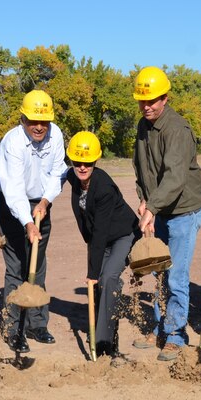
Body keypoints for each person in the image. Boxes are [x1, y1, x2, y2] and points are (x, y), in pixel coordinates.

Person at [131, 66, 201, 361]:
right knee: (160, 271)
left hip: (184, 210)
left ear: (165, 98)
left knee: (176, 275)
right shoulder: (142, 125)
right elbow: (141, 167)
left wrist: (152, 206)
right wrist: (144, 198)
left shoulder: (178, 129)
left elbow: (175, 177)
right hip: (160, 207)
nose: (147, 106)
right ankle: (162, 327)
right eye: (142, 100)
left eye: (152, 100)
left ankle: (176, 334)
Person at [0, 89, 67, 353]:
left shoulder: (56, 134)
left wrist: (46, 202)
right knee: (16, 266)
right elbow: (12, 189)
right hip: (12, 205)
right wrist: (27, 222)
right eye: (33, 121)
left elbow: (58, 171)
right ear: (22, 119)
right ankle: (13, 329)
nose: (39, 127)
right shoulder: (12, 143)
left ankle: (37, 324)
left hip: (42, 202)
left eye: (44, 121)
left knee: (38, 264)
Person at [64, 131, 139, 357]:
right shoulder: (72, 176)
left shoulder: (104, 188)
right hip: (100, 238)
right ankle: (104, 332)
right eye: (78, 162)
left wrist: (92, 271)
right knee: (99, 287)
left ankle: (106, 342)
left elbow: (100, 232)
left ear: (95, 161)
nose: (82, 167)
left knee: (107, 278)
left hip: (123, 235)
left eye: (87, 163)